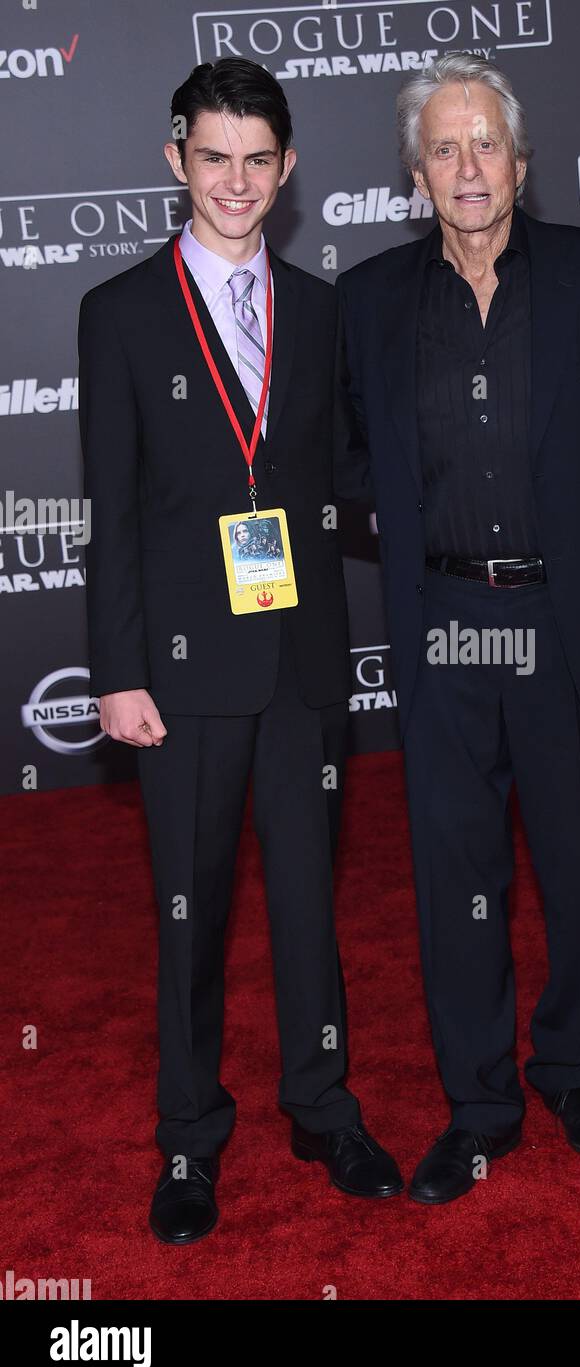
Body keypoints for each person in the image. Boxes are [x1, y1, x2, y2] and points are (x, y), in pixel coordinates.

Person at [79, 57, 402, 1244]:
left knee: (313, 905)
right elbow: (110, 507)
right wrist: (116, 671)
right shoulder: (117, 312)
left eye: (257, 159)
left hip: (306, 669)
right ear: (177, 162)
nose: (235, 180)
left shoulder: (320, 313)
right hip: (177, 674)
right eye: (212, 157)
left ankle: (321, 1107)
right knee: (190, 910)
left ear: (288, 168)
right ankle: (188, 1137)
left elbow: (351, 476)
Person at [335, 52, 580, 1204]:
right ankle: (478, 1105)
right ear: (414, 175)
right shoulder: (368, 301)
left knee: (576, 862)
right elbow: (333, 452)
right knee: (455, 874)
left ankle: (571, 1068)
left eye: (484, 144)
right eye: (442, 147)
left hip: (562, 615)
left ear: (519, 162)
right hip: (441, 624)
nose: (465, 166)